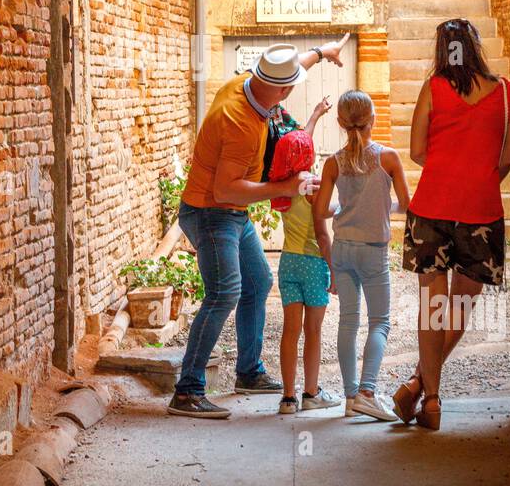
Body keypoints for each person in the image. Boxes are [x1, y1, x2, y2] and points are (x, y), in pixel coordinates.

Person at [169, 36, 349, 419]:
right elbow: (225, 187)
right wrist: (285, 187)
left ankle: (248, 372)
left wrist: (321, 53)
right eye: (289, 87)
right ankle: (187, 391)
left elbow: (286, 66)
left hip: (232, 212)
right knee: (225, 291)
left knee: (257, 283)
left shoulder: (250, 82)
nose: (289, 92)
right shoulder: (240, 122)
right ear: (281, 90)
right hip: (210, 210)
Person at [393, 18, 510, 430]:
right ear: (476, 47)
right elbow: (506, 158)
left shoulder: (433, 88)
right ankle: (419, 389)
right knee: (460, 309)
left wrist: (448, 169)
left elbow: (415, 150)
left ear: (441, 50)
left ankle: (428, 396)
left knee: (432, 308)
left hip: (431, 209)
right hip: (482, 212)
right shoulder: (505, 94)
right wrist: (476, 178)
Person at [312, 90, 411, 421]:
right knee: (379, 322)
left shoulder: (332, 163)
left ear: (340, 123)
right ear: (374, 119)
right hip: (373, 252)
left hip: (342, 249)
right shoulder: (389, 158)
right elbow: (406, 206)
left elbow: (321, 210)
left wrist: (341, 213)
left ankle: (351, 396)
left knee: (348, 322)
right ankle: (368, 392)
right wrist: (384, 208)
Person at [272, 98, 343, 415]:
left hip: (288, 262)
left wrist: (314, 114)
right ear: (310, 155)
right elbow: (324, 227)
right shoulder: (315, 186)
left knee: (291, 332)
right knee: (313, 332)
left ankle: (288, 398)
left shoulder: (282, 186)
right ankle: (311, 393)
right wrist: (334, 268)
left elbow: (299, 143)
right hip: (314, 264)